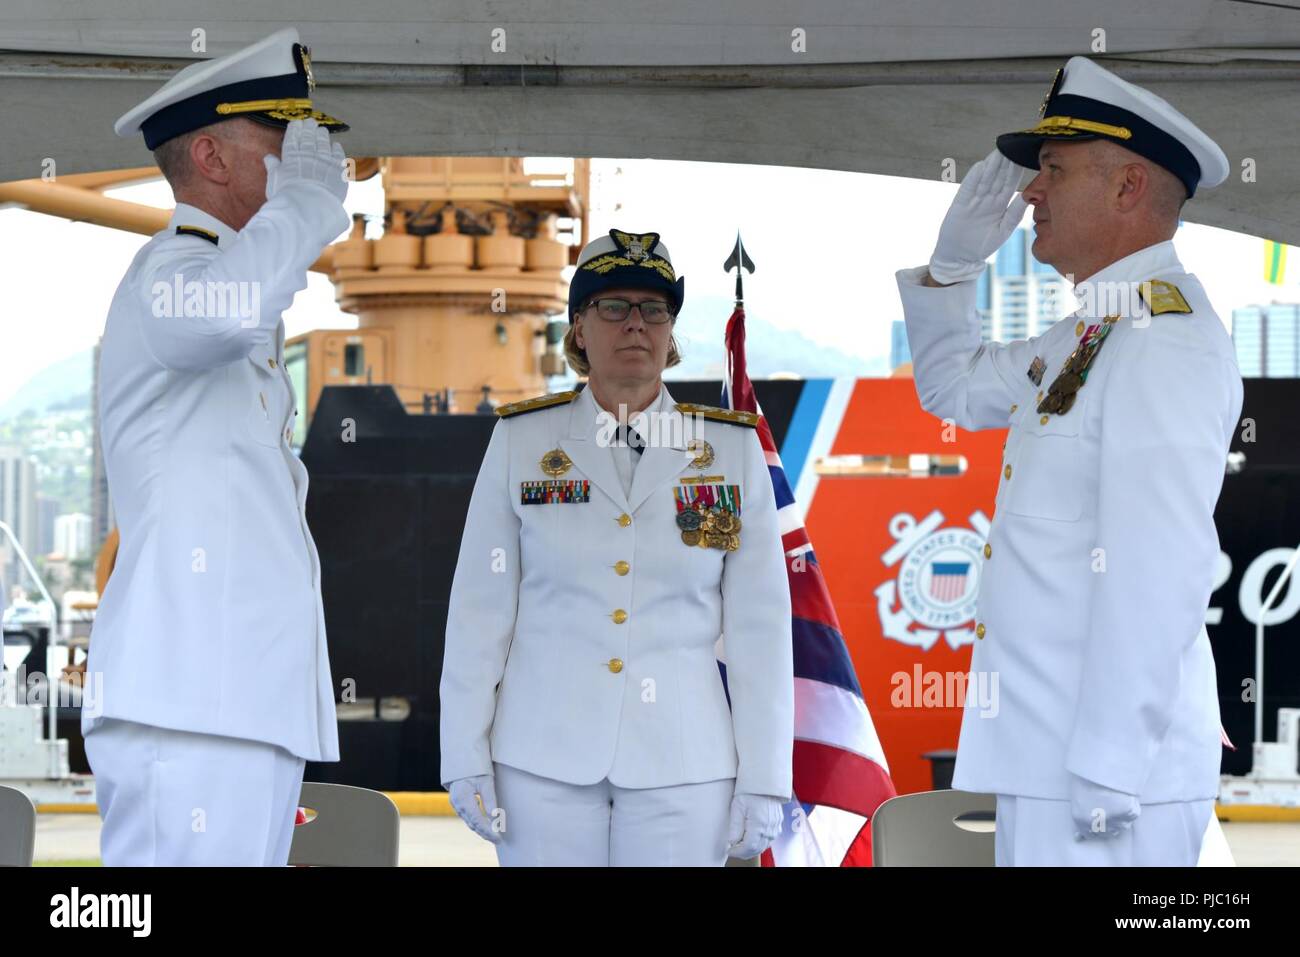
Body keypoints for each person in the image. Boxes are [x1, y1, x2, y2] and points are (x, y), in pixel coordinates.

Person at [896, 56, 1241, 866]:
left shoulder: (1163, 338)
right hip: (1050, 761)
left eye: (1053, 169)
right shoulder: (1091, 331)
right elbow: (953, 388)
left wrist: (1109, 772)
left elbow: (1157, 569)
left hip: (1104, 780)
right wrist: (953, 270)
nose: (1030, 193)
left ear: (1127, 189)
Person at [439, 229, 794, 866]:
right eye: (614, 307)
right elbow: (479, 613)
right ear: (579, 328)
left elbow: (761, 629)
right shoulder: (523, 441)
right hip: (539, 764)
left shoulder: (732, 451)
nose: (636, 324)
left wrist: (767, 776)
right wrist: (464, 755)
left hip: (686, 766)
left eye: (654, 309)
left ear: (671, 329)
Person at [84, 27, 350, 866]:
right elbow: (226, 311)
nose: (306, 163)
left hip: (235, 699)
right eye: (282, 143)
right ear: (211, 154)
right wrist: (306, 207)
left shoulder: (234, 295)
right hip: (190, 698)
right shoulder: (171, 274)